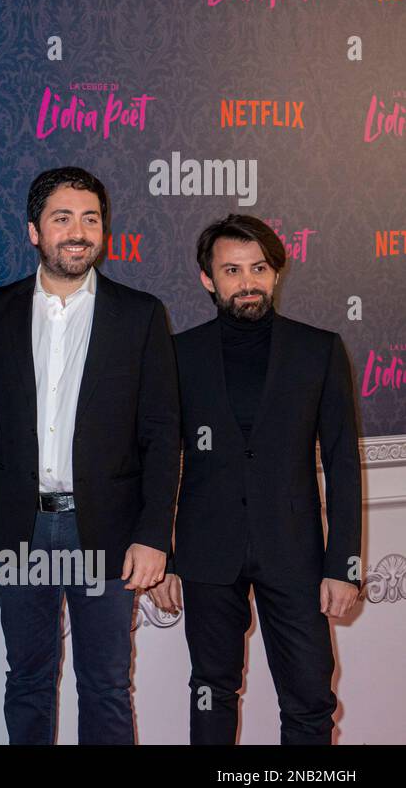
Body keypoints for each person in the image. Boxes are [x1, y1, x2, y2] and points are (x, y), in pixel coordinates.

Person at [0, 166, 180, 745]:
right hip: (22, 526)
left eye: (91, 219)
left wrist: (154, 534)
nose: (79, 232)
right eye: (62, 218)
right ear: (34, 231)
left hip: (109, 530)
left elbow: (162, 435)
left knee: (107, 684)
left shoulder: (140, 315)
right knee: (29, 680)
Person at [149, 215, 362, 745]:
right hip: (206, 550)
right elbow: (157, 460)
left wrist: (344, 566)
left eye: (258, 268)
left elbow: (341, 463)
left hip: (294, 552)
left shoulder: (319, 350)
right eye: (232, 270)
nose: (247, 281)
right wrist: (164, 556)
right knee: (210, 690)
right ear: (208, 279)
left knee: (311, 697)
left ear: (275, 272)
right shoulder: (179, 356)